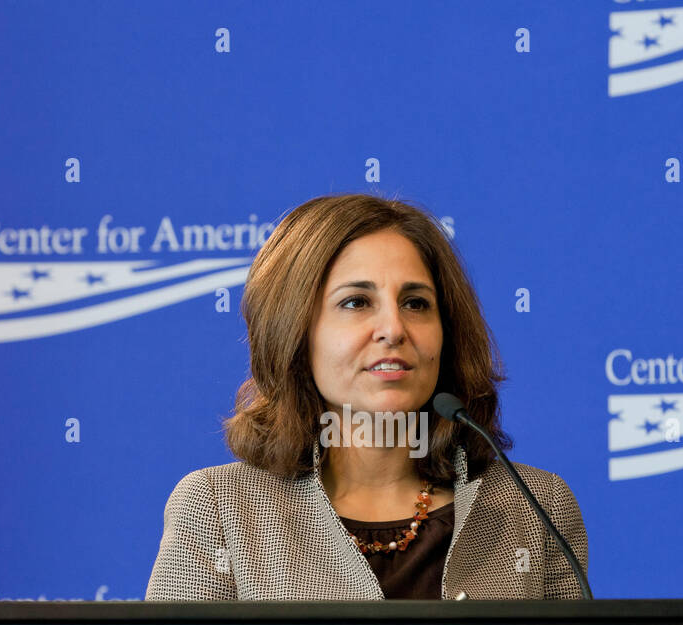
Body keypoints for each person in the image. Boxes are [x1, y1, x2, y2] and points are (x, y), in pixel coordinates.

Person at [145, 193, 591, 601]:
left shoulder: (536, 506)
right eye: (357, 302)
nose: (394, 329)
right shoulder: (219, 508)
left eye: (416, 303)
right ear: (295, 331)